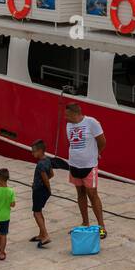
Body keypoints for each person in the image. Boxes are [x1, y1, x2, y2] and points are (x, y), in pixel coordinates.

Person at [63, 102, 106, 238]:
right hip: (74, 165)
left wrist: (96, 153)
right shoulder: (69, 125)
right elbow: (71, 142)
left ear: (75, 114)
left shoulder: (91, 122)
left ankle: (101, 226)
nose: (65, 117)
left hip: (89, 165)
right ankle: (85, 222)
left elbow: (102, 141)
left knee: (93, 195)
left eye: (67, 115)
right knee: (80, 194)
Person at [30, 139, 53, 248]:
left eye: (34, 151)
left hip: (39, 190)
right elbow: (51, 174)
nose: (32, 153)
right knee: (39, 211)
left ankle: (45, 235)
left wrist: (48, 189)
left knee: (36, 213)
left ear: (40, 151)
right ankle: (41, 233)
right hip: (42, 189)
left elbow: (45, 179)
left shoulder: (40, 164)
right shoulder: (47, 160)